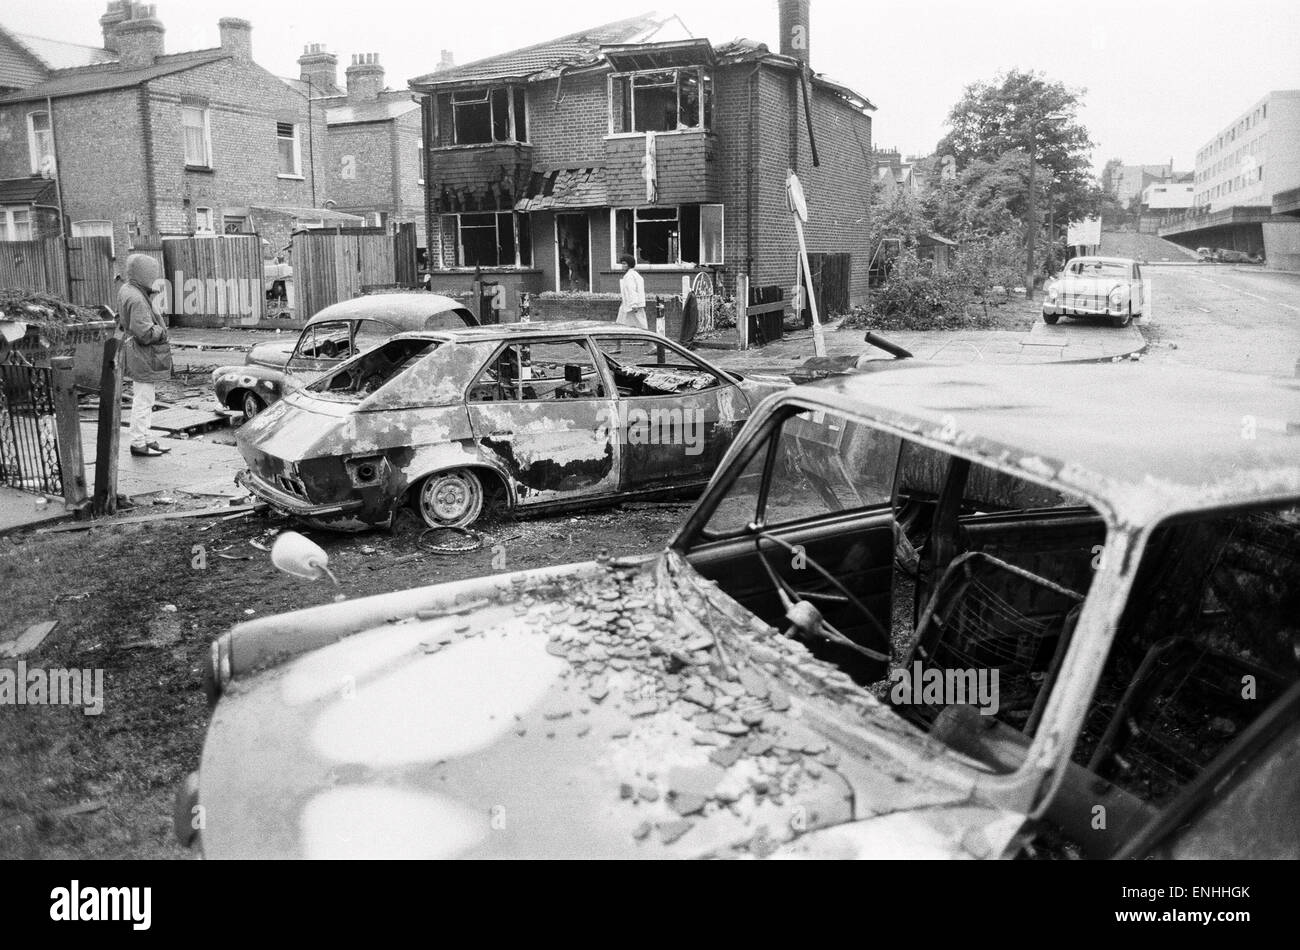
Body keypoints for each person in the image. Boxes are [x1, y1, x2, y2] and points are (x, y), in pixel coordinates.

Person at [117, 253, 172, 458]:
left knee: (146, 398)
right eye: (152, 273)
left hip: (135, 352)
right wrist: (161, 331)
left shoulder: (127, 290)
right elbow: (145, 333)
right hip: (143, 355)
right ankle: (139, 442)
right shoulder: (137, 299)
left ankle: (147, 438)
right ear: (144, 274)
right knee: (143, 400)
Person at [616, 253, 647, 328]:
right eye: (622, 264)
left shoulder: (629, 276)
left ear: (629, 264)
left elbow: (632, 290)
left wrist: (634, 304)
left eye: (624, 264)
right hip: (632, 305)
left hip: (631, 307)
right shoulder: (635, 274)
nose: (622, 266)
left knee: (626, 326)